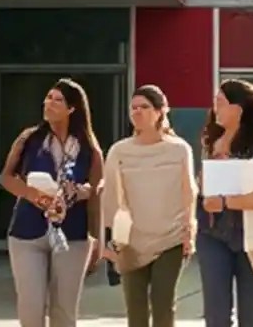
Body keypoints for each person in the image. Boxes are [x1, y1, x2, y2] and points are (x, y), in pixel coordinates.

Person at [1, 79, 104, 327]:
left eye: (58, 100)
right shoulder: (29, 139)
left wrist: (80, 193)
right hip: (27, 232)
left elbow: (97, 188)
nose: (49, 104)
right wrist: (32, 194)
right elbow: (7, 178)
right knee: (31, 306)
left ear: (72, 109)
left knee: (64, 309)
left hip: (73, 234)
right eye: (48, 98)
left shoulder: (89, 147)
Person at [101, 84, 197, 327]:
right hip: (131, 240)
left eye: (144, 107)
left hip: (170, 238)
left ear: (160, 111)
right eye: (133, 108)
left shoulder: (179, 149)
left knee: (163, 304)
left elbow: (188, 192)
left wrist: (188, 231)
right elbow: (110, 197)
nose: (137, 112)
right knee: (135, 309)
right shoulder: (119, 151)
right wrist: (109, 240)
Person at [197, 79, 253, 327]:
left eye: (221, 103)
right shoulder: (212, 143)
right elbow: (204, 188)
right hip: (212, 232)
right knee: (216, 314)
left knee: (250, 315)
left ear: (239, 108)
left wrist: (226, 202)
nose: (215, 109)